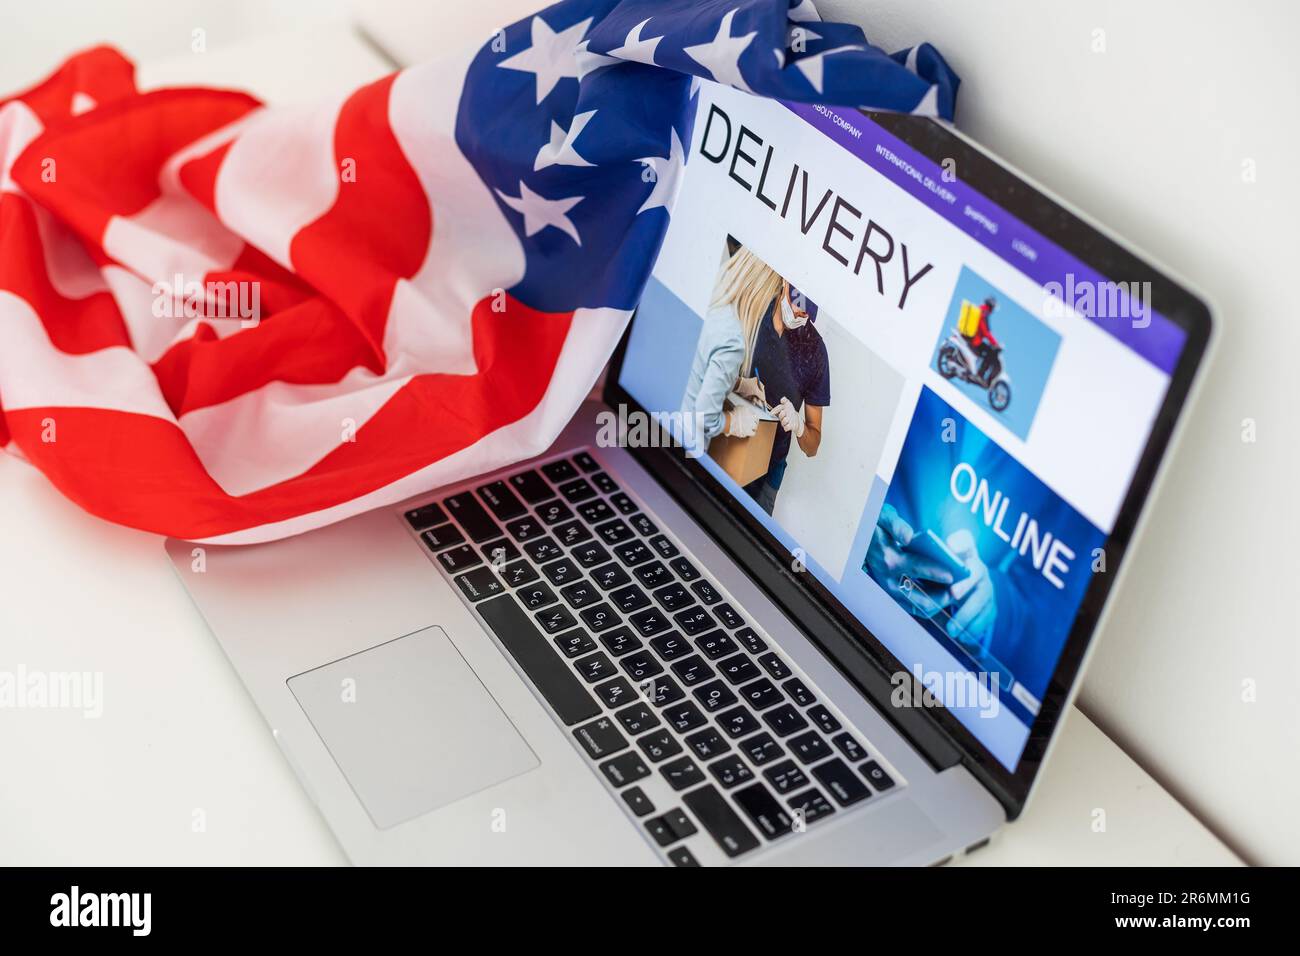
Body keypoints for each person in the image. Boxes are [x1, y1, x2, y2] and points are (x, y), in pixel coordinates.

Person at [737, 280, 830, 515]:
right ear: (785, 283)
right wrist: (738, 384)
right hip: (726, 439)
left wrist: (799, 426)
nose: (799, 312)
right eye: (797, 302)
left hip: (767, 473)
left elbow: (813, 446)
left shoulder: (815, 351)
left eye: (806, 310)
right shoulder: (753, 307)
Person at [680, 247, 780, 453]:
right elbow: (704, 416)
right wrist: (734, 422)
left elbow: (698, 367)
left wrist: (740, 384)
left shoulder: (709, 299)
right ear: (761, 294)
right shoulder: (733, 340)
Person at [966, 295, 1000, 385]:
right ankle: (979, 375)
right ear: (991, 306)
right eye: (993, 307)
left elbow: (986, 331)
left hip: (975, 339)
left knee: (988, 350)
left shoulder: (982, 310)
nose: (993, 310)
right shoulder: (984, 312)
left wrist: (993, 342)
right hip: (975, 341)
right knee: (990, 354)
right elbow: (986, 332)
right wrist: (995, 344)